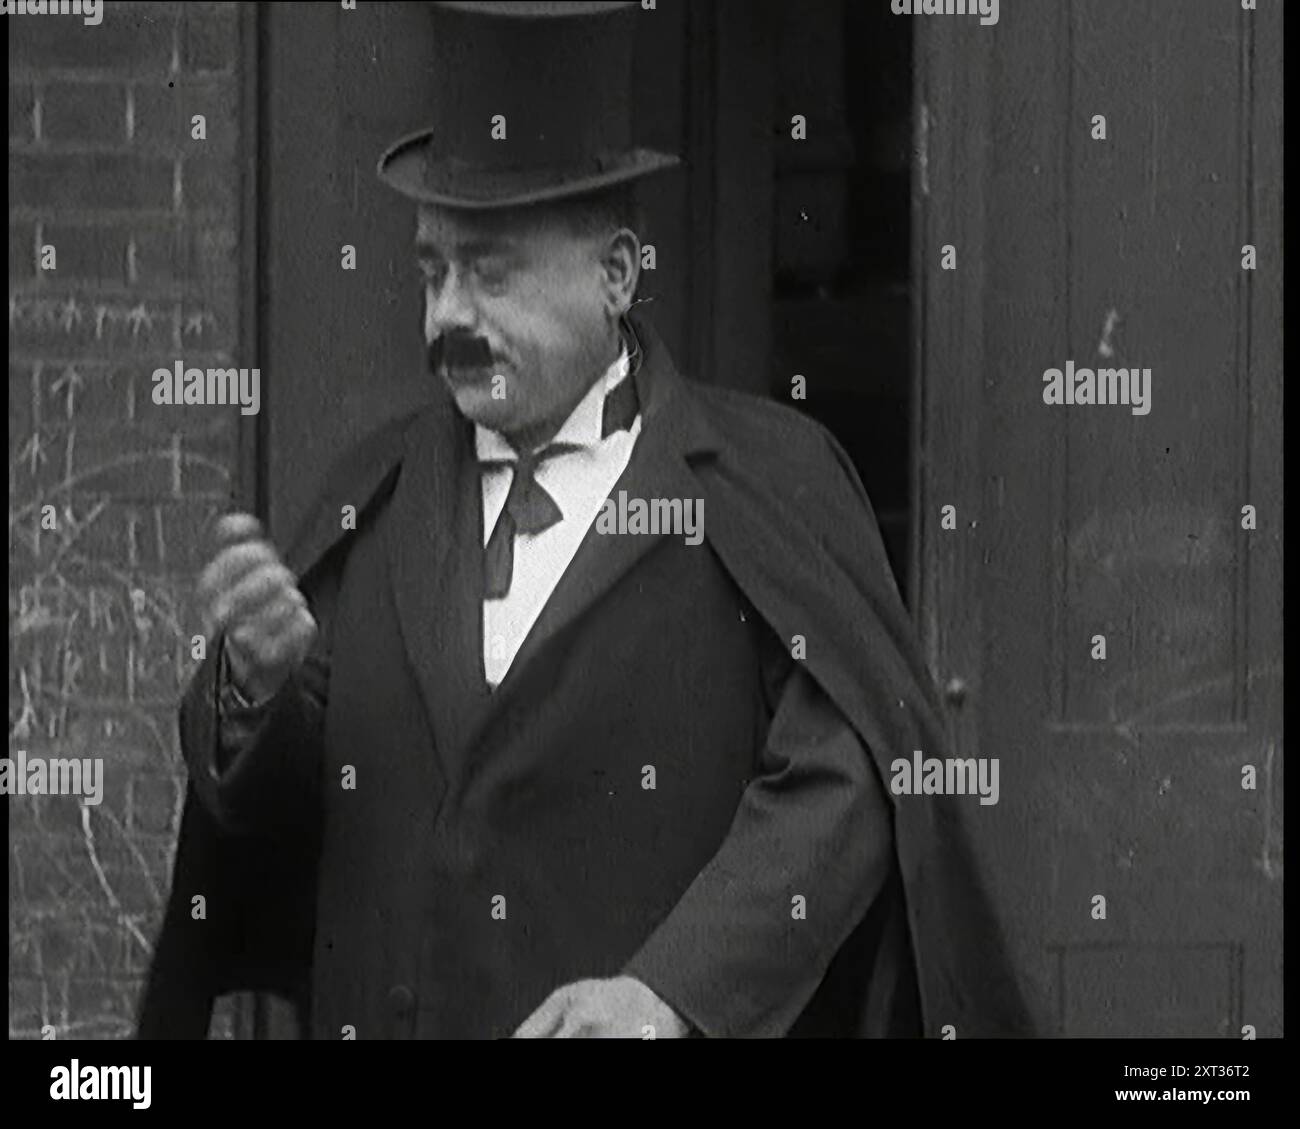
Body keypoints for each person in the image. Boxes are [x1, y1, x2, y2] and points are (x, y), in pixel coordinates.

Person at [136, 0, 1028, 1040]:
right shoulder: (369, 495)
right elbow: (284, 823)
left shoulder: (765, 483)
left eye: (491, 273)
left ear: (616, 275)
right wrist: (257, 690)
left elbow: (843, 781)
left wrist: (671, 991)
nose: (448, 317)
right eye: (432, 273)